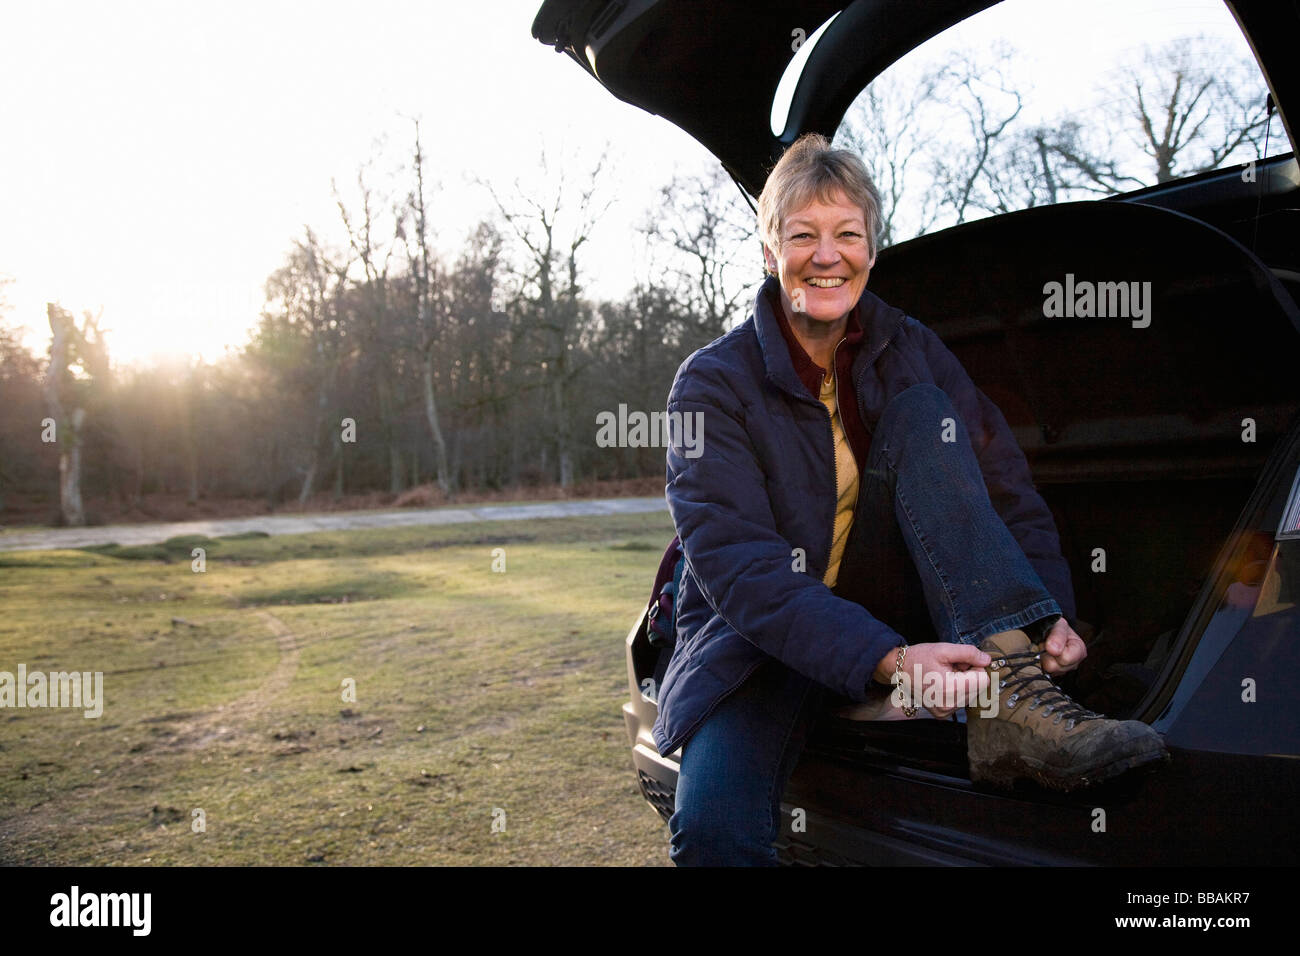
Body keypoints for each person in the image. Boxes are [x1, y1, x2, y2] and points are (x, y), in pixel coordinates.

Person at [657, 133, 1168, 866]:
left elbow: (1003, 486)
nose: (826, 255)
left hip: (894, 606)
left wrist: (1046, 611)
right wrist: (890, 663)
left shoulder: (911, 347)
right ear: (770, 253)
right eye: (802, 235)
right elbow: (738, 570)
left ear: (871, 248)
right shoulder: (710, 384)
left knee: (926, 415)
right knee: (712, 831)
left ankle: (1012, 708)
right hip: (763, 641)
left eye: (847, 234)